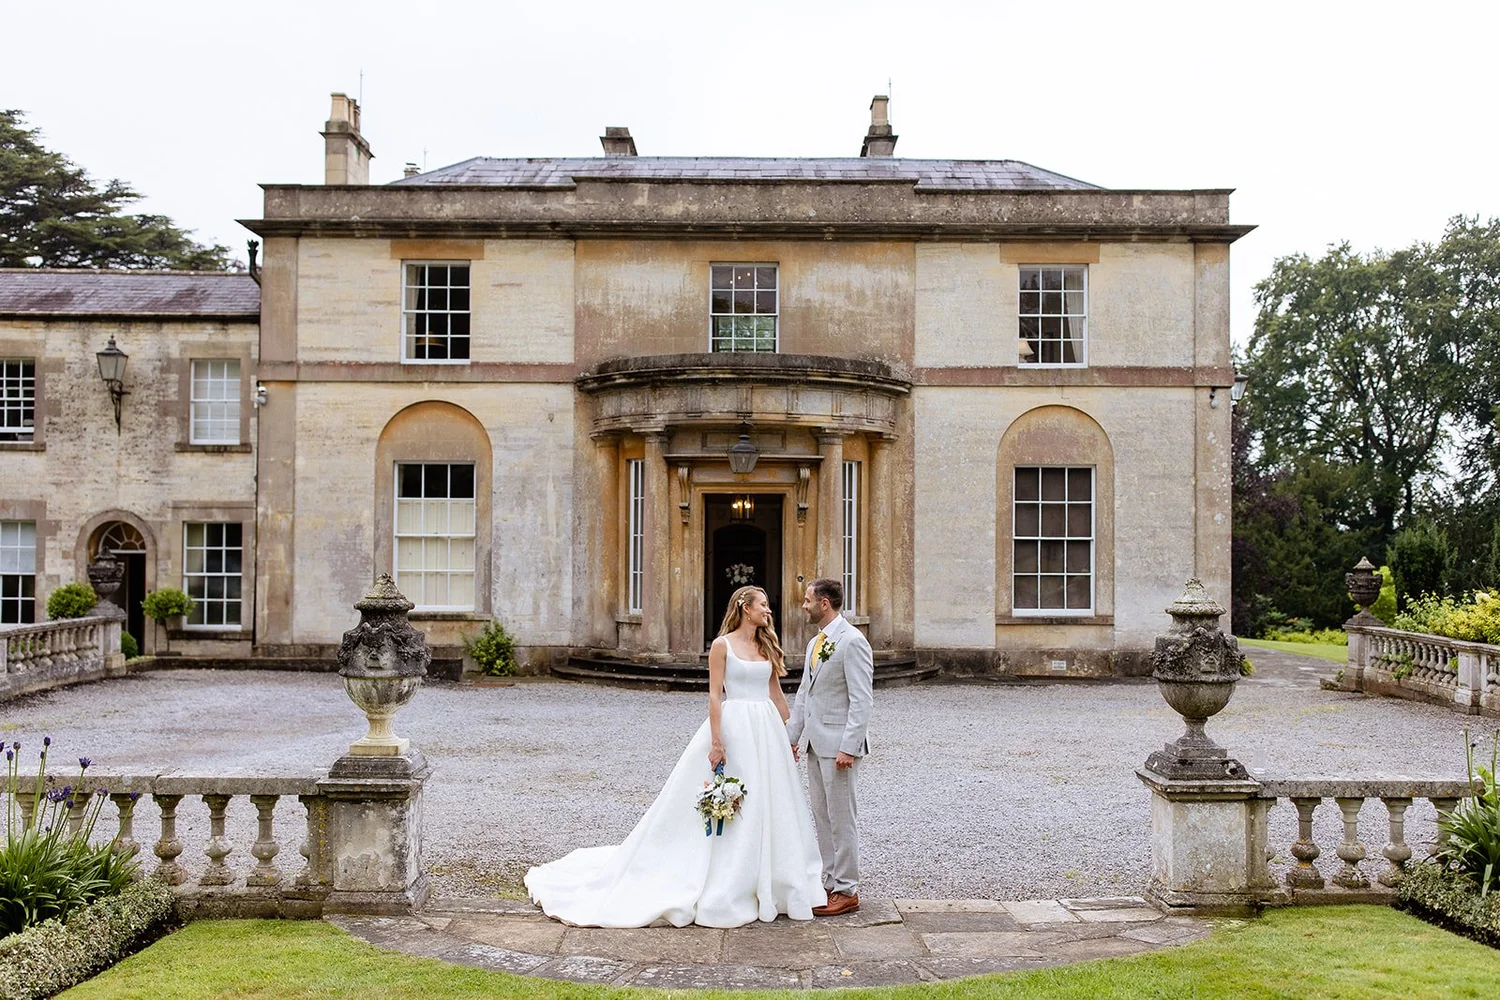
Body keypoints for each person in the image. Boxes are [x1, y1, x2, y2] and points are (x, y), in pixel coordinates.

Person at [524, 585, 825, 927]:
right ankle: (729, 876)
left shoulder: (766, 645)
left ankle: (770, 878)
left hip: (767, 731)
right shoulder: (722, 646)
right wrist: (716, 742)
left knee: (771, 801)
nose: (768, 611)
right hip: (736, 729)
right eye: (763, 605)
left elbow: (776, 694)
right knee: (739, 798)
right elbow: (715, 696)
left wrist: (789, 735)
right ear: (745, 607)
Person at [786, 578, 873, 916]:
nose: (804, 606)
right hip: (815, 744)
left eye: (808, 600)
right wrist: (792, 737)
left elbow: (862, 701)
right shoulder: (815, 642)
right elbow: (805, 695)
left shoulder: (852, 641)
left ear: (824, 603)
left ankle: (848, 889)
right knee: (822, 817)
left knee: (842, 818)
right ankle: (830, 881)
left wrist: (849, 747)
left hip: (839, 747)